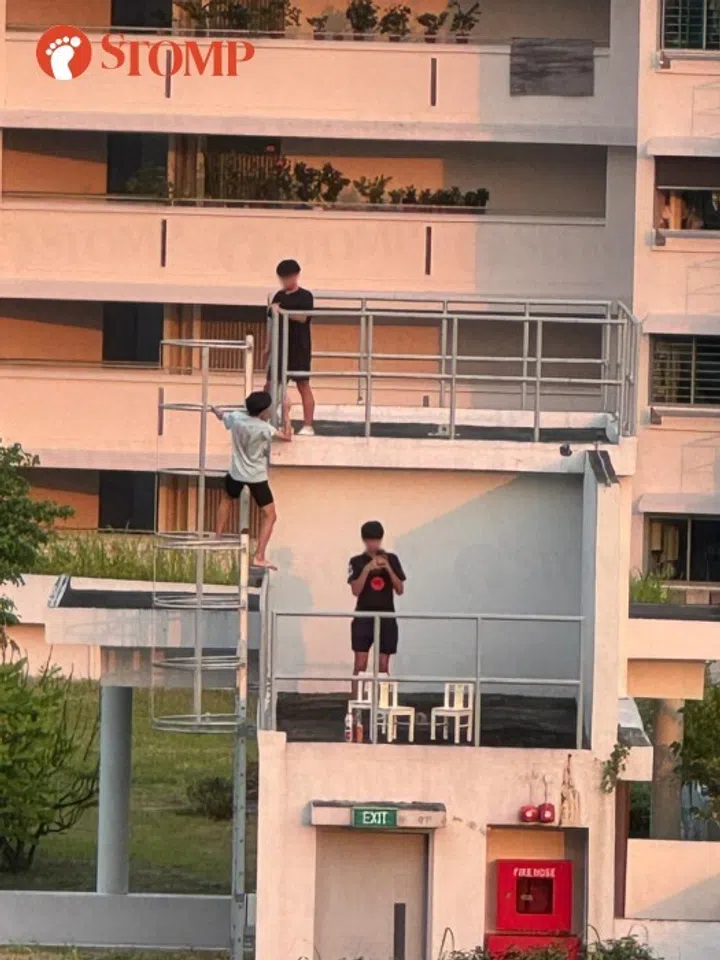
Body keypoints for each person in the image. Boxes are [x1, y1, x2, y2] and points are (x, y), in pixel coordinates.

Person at [211, 390, 292, 569]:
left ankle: (217, 538)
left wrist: (215, 410)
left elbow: (221, 416)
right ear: (263, 411)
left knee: (226, 499)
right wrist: (286, 413)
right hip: (256, 476)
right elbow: (287, 437)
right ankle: (259, 556)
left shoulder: (236, 418)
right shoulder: (264, 428)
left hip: (236, 473)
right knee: (270, 515)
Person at [262, 258, 315, 436]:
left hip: (299, 348)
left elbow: (303, 317)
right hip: (279, 347)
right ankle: (265, 420)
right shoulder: (278, 296)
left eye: (288, 277)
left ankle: (308, 425)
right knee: (270, 385)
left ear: (296, 276)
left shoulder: (305, 296)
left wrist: (283, 311)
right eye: (282, 278)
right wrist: (268, 347)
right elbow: (271, 321)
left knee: (303, 385)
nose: (285, 282)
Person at [347, 521, 406, 676]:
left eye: (376, 540)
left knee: (383, 665)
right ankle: (356, 700)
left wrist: (388, 568)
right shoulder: (357, 561)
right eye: (370, 540)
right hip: (364, 616)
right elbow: (355, 590)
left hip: (386, 616)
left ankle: (382, 700)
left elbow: (400, 589)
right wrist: (367, 569)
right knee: (360, 664)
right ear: (364, 540)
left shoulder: (392, 559)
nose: (373, 544)